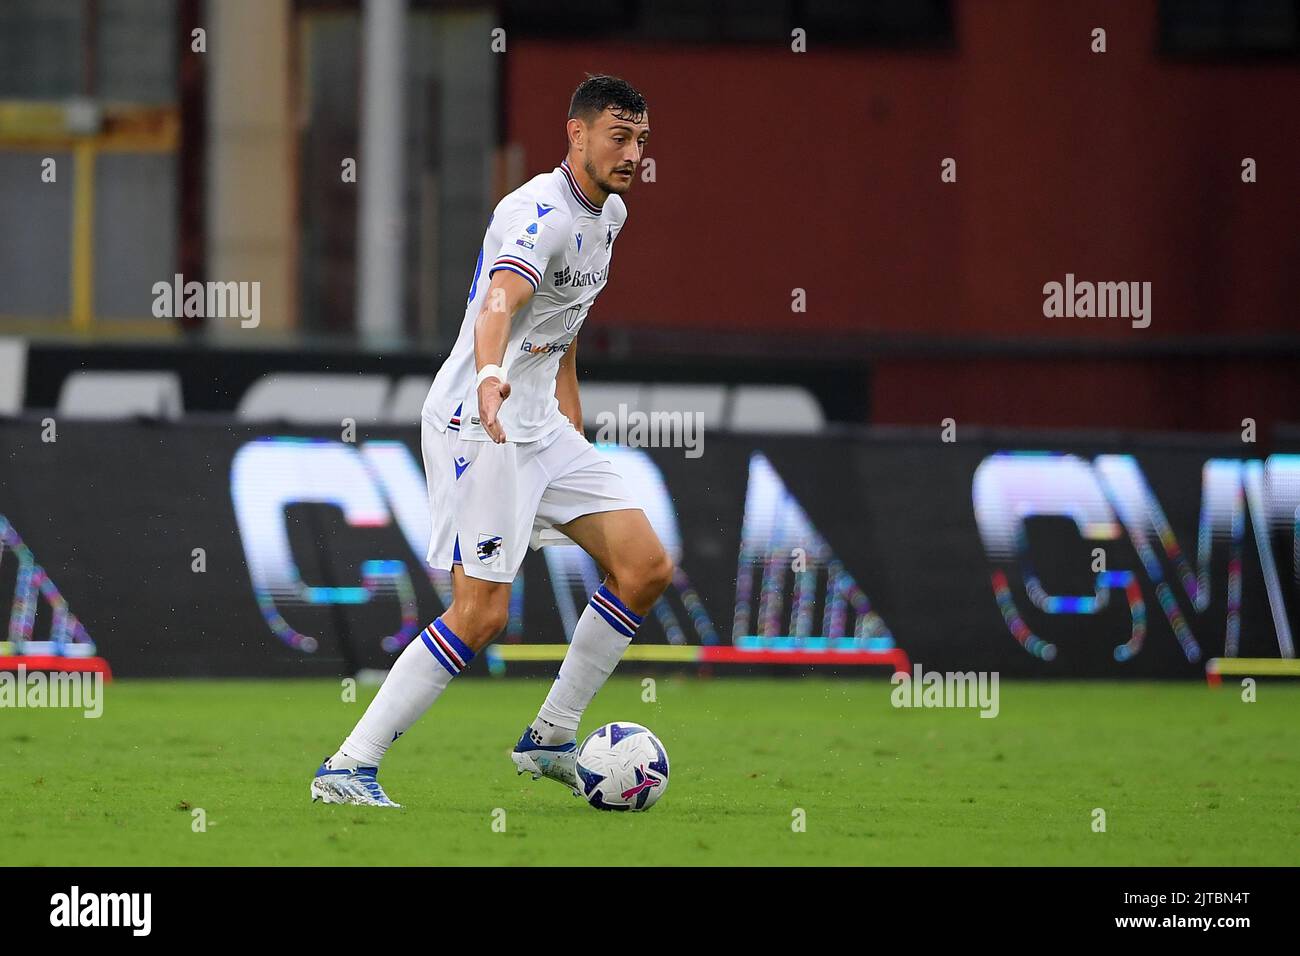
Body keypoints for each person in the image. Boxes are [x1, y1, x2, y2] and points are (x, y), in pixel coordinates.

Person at [311, 74, 670, 807]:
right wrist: (486, 375)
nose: (632, 152)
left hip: (538, 422)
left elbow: (564, 319)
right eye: (617, 136)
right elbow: (503, 298)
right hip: (482, 420)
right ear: (575, 133)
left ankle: (550, 737)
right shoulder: (537, 211)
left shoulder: (612, 215)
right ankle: (347, 767)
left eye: (640, 139)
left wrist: (570, 408)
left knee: (645, 567)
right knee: (480, 613)